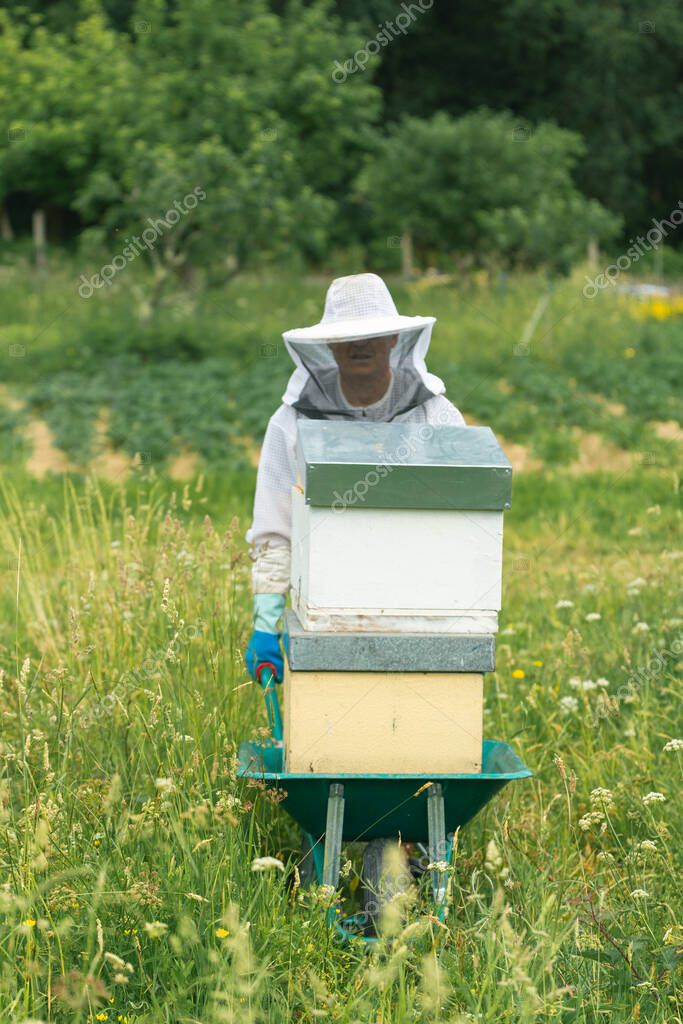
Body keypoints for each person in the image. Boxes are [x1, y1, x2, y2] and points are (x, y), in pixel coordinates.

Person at [245, 272, 466, 681]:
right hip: (323, 604)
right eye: (348, 336)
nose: (361, 345)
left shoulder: (436, 416)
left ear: (395, 340)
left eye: (373, 334)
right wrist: (266, 624)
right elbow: (275, 530)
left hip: (419, 601)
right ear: (328, 344)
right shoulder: (291, 423)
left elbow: (464, 518)